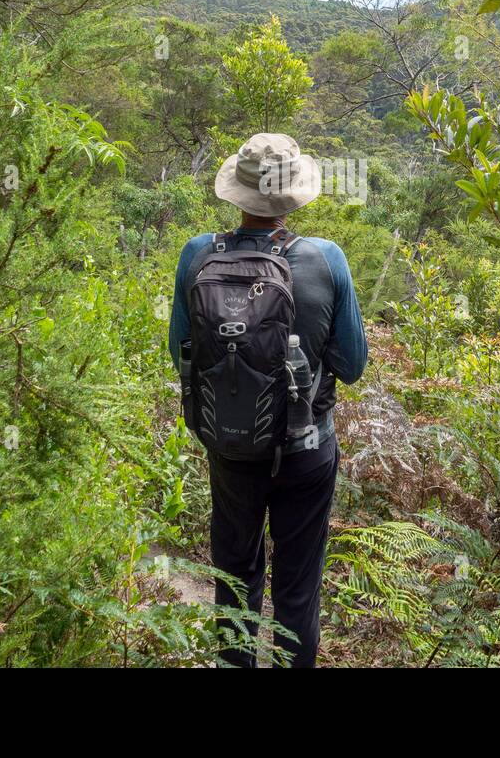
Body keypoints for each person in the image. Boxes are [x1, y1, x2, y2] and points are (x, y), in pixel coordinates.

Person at [169, 133, 368, 667]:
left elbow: (181, 352)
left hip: (231, 446)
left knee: (234, 576)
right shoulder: (326, 260)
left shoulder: (197, 254)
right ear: (295, 196)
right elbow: (352, 366)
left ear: (238, 194)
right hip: (307, 447)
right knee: (298, 588)